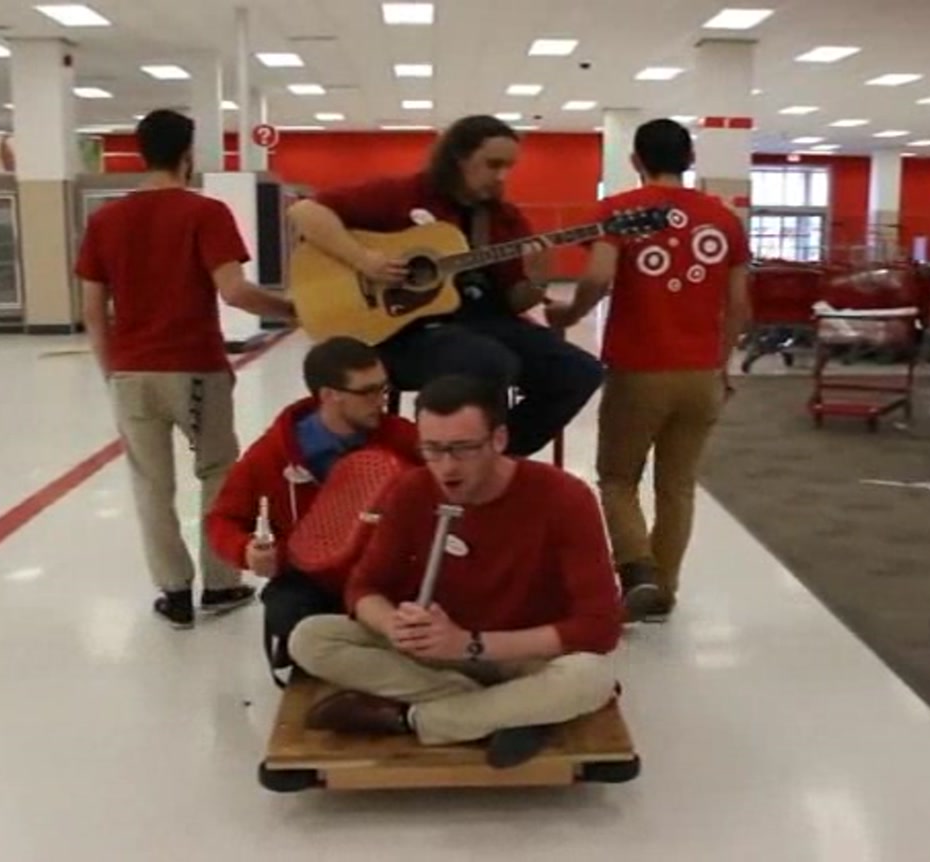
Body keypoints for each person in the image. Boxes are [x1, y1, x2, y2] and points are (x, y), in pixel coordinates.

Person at [288, 374, 621, 769]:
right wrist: (393, 623)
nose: (446, 467)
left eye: (463, 449)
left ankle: (416, 719)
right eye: (432, 449)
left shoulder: (566, 498)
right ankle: (500, 713)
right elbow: (364, 588)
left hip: (526, 654)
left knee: (591, 677)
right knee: (310, 638)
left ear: (498, 440)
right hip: (442, 654)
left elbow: (599, 627)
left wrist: (470, 644)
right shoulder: (412, 490)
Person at [76, 108, 295, 629]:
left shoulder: (105, 220)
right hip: (196, 369)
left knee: (151, 485)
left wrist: (113, 372)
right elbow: (236, 291)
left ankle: (174, 594)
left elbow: (91, 310)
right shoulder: (205, 212)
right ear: (187, 154)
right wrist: (295, 310)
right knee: (217, 472)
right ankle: (221, 584)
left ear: (141, 152)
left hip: (131, 374)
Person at [286, 114, 603, 458]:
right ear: (458, 158)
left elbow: (514, 302)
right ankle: (434, 454)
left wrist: (538, 278)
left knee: (579, 371)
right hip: (401, 333)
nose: (501, 176)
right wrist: (364, 259)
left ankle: (495, 455)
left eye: (509, 167)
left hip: (483, 325)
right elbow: (305, 212)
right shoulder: (403, 194)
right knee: (489, 362)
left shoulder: (503, 218)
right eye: (492, 164)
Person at [546, 118, 751, 622]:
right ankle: (665, 589)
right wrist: (720, 365)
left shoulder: (619, 211)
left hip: (639, 370)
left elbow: (597, 276)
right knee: (677, 486)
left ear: (636, 160)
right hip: (701, 375)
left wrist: (567, 315)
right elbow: (741, 306)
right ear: (691, 159)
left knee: (617, 479)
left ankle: (638, 574)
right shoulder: (724, 220)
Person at [204, 336, 420, 677]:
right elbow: (223, 518)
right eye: (368, 392)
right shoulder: (271, 456)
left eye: (384, 388)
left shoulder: (403, 438)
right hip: (313, 580)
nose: (382, 401)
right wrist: (246, 551)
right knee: (288, 613)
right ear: (328, 395)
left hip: (388, 576)